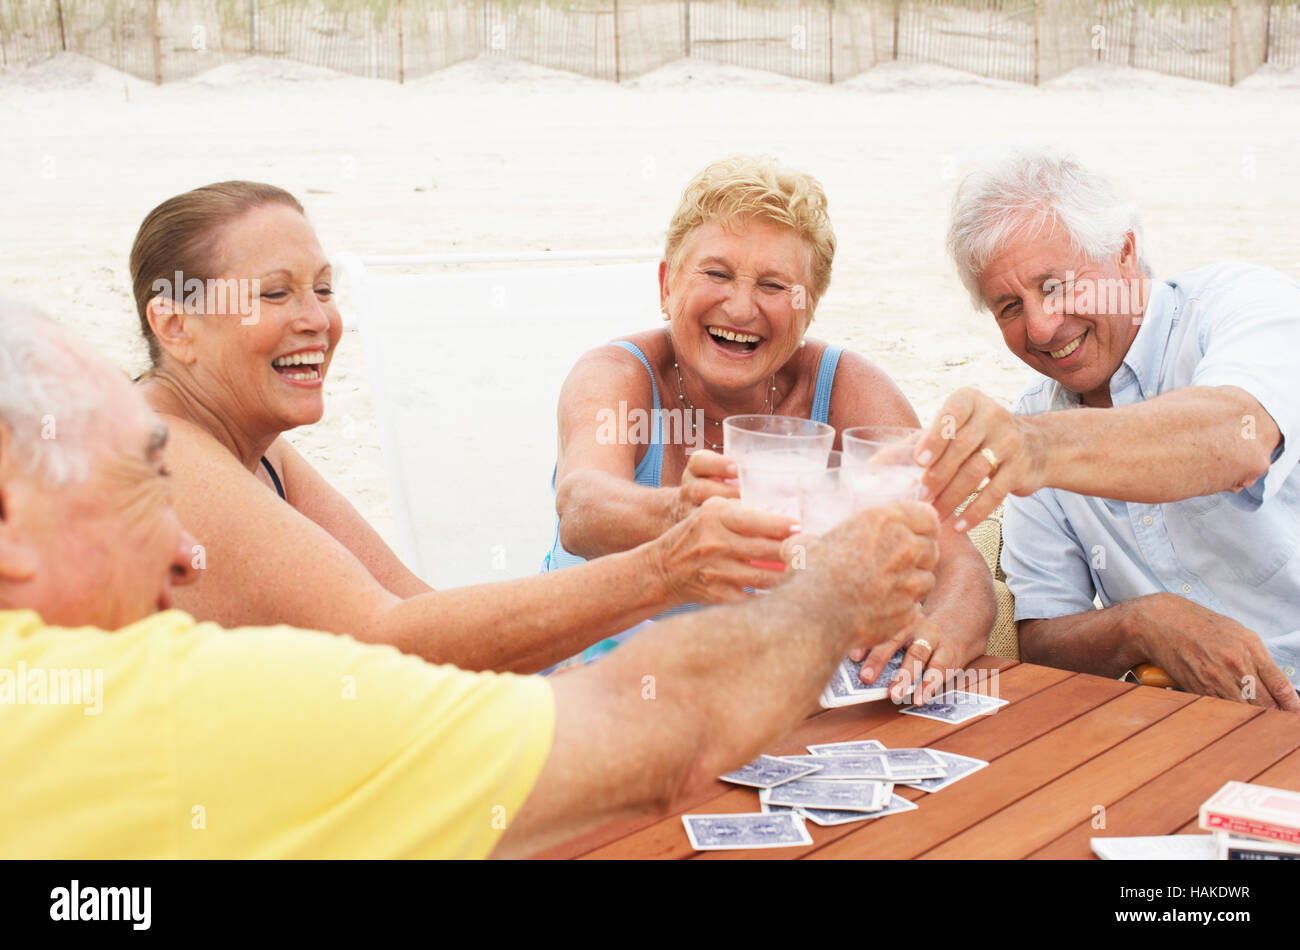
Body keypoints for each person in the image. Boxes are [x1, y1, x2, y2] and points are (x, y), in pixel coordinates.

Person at [0, 299, 941, 858]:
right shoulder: (163, 706)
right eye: (136, 492)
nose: (183, 551)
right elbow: (654, 737)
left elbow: (417, 616)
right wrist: (831, 594)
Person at [129, 181, 798, 675]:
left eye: (324, 290)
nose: (318, 320)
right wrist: (666, 570)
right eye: (276, 294)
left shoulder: (257, 449)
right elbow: (390, 638)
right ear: (177, 325)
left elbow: (414, 603)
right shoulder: (169, 457)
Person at [546, 155, 993, 699]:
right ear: (666, 284)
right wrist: (681, 514)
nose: (740, 307)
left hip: (768, 705)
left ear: (809, 309)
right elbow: (581, 507)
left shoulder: (845, 388)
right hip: (597, 691)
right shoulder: (619, 375)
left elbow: (959, 561)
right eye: (716, 273)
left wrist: (936, 636)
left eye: (774, 286)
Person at [914, 148, 1300, 712]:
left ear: (1125, 252)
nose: (1042, 326)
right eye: (1008, 307)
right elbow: (1041, 636)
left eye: (1054, 286)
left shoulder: (1242, 306)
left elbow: (1237, 441)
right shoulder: (1030, 424)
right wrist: (1141, 623)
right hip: (1197, 723)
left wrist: (1038, 448)